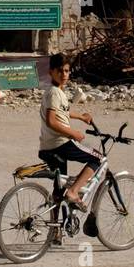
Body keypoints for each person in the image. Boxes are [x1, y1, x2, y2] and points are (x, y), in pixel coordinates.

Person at [38, 53, 102, 209]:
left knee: (59, 190)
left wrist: (81, 117)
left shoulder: (56, 92)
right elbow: (52, 120)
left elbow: (62, 112)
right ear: (51, 72)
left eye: (66, 71)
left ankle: (55, 229)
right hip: (60, 143)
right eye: (60, 71)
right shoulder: (54, 93)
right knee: (98, 159)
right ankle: (74, 192)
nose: (64, 74)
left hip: (47, 145)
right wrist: (73, 133)